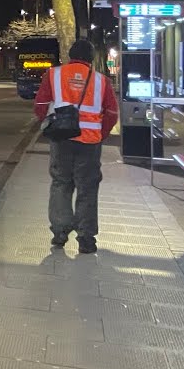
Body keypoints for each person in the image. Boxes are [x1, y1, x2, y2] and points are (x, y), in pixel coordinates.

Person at [33, 39, 119, 254]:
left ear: (70, 56)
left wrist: (52, 124)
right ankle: (86, 238)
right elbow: (112, 113)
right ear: (91, 59)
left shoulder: (53, 75)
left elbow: (40, 106)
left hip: (62, 140)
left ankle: (60, 232)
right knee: (87, 188)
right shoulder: (102, 81)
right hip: (90, 142)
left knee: (61, 183)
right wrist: (100, 134)